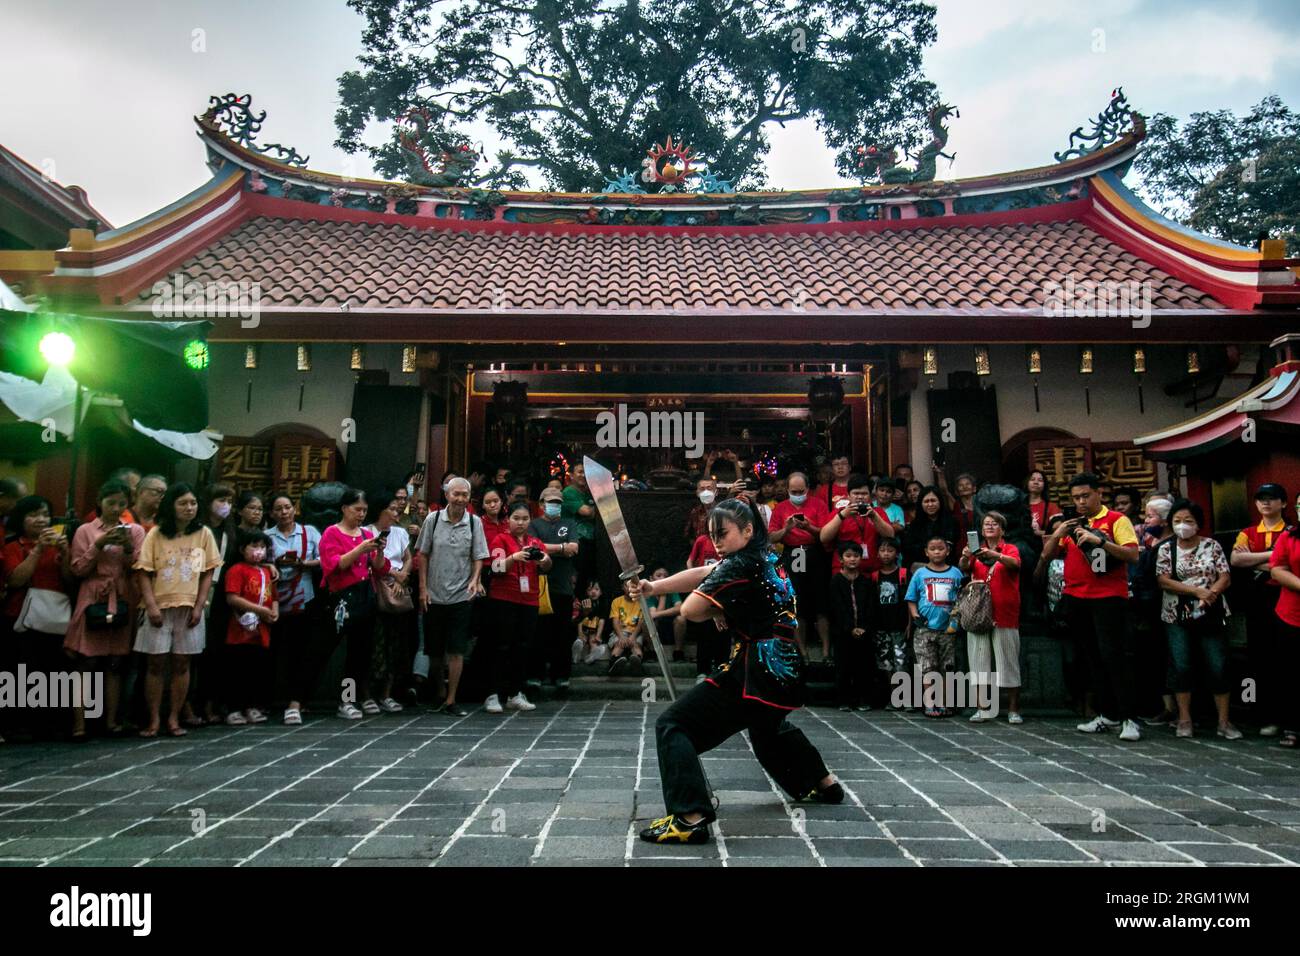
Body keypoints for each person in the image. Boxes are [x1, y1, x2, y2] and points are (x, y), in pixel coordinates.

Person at [631, 498, 842, 845]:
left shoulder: (741, 562)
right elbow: (707, 573)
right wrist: (656, 587)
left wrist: (718, 605)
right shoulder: (767, 556)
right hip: (785, 668)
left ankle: (690, 816)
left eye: (723, 534)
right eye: (713, 534)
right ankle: (822, 782)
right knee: (766, 725)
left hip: (752, 670)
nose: (717, 541)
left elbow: (692, 609)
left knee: (673, 725)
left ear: (747, 530)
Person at [1042, 472, 1142, 742]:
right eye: (1076, 498)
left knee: (1114, 656)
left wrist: (1100, 541)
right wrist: (1059, 532)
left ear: (1099, 494)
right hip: (1076, 597)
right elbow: (1048, 554)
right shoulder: (1072, 523)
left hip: (1109, 596)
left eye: (1086, 496)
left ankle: (1129, 718)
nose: (1081, 501)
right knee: (1092, 658)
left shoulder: (1117, 520)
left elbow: (1133, 555)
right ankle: (1106, 714)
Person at [134, 483, 222, 738]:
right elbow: (143, 572)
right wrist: (151, 605)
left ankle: (174, 718)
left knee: (183, 663)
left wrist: (199, 605)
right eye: (183, 503)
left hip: (189, 607)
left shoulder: (203, 533)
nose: (189, 508)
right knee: (155, 662)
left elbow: (208, 572)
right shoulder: (157, 534)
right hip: (159, 605)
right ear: (171, 505)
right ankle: (153, 718)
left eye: (193, 503)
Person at [65, 479, 146, 739]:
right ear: (100, 502)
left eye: (121, 504)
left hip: (122, 594)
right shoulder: (86, 530)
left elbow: (138, 565)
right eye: (111, 503)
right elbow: (78, 568)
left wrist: (129, 547)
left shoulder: (134, 530)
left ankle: (111, 721)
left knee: (116, 661)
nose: (116, 508)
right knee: (86, 660)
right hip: (93, 593)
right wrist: (98, 545)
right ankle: (79, 724)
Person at [1154, 500, 1238, 740]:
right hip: (1176, 613)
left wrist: (1210, 594)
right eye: (1178, 521)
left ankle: (1224, 720)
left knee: (1218, 664)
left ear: (1198, 523)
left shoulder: (1212, 546)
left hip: (1210, 612)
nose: (1183, 526)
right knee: (1181, 664)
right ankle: (1184, 718)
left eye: (1188, 521)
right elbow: (1163, 580)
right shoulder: (1166, 549)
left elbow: (1225, 576)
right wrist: (1195, 592)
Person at [2, 495, 74, 740]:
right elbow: (15, 579)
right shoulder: (13, 545)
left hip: (54, 615)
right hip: (20, 615)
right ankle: (20, 724)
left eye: (44, 514)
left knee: (53, 669)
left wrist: (65, 553)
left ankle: (49, 723)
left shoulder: (60, 542)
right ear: (22, 519)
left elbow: (70, 579)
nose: (40, 520)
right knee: (21, 670)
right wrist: (38, 550)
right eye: (33, 515)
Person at [416, 476, 489, 717]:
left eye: (464, 495)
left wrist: (475, 579)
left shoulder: (474, 522)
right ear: (446, 494)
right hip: (434, 595)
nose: (459, 499)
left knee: (457, 649)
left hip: (461, 595)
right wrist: (423, 589)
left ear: (470, 498)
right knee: (435, 652)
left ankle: (451, 698)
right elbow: (423, 554)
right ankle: (438, 690)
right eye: (455, 494)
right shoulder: (433, 519)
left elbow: (479, 555)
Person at [318, 488, 390, 719]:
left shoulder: (367, 535)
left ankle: (347, 700)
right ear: (344, 508)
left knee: (358, 654)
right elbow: (334, 565)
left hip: (364, 598)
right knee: (321, 649)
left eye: (364, 511)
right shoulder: (331, 533)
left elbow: (380, 567)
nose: (361, 514)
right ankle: (297, 700)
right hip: (340, 598)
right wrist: (360, 548)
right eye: (357, 509)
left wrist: (378, 551)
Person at [483, 500, 552, 714]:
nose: (520, 523)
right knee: (501, 645)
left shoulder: (535, 542)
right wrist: (514, 557)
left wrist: (544, 559)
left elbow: (547, 567)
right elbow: (494, 567)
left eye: (524, 519)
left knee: (523, 647)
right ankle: (493, 694)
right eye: (516, 518)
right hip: (504, 598)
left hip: (530, 599)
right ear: (508, 520)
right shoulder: (500, 539)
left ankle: (515, 693)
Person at [1231, 483, 1288, 737]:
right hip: (1257, 601)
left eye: (1272, 499)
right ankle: (1265, 715)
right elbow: (1236, 559)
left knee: (1285, 659)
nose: (1266, 503)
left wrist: (1257, 559)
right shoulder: (1247, 532)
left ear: (1283, 504)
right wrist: (1274, 557)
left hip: (1286, 597)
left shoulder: (1291, 531)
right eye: (1261, 499)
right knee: (1259, 658)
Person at [959, 511, 1023, 723]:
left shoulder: (1010, 548)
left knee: (1008, 661)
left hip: (1004, 612)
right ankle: (982, 707)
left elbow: (1016, 565)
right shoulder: (977, 550)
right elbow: (964, 568)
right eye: (986, 524)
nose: (990, 527)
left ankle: (1013, 709)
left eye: (995, 524)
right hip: (978, 613)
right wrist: (966, 554)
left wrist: (995, 555)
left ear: (1002, 529)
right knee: (978, 661)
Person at [266, 492, 321, 726]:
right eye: (278, 509)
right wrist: (272, 565)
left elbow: (323, 559)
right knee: (274, 651)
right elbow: (258, 559)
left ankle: (296, 701)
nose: (284, 512)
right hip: (274, 599)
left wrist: (303, 564)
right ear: (272, 513)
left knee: (301, 651)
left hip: (304, 596)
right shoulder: (266, 536)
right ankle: (269, 699)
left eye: (287, 507)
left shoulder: (309, 533)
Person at [768, 471, 831, 659]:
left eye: (801, 491)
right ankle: (803, 653)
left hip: (814, 551)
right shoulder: (780, 508)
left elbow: (826, 533)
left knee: (821, 603)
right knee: (798, 604)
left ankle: (826, 651)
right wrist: (787, 528)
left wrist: (808, 527)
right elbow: (771, 537)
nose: (797, 494)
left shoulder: (818, 505)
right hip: (792, 553)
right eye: (793, 491)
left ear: (808, 489)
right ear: (787, 490)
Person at [527, 486, 580, 696]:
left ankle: (562, 676)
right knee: (538, 632)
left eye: (558, 503)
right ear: (541, 505)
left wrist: (547, 548)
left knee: (562, 634)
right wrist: (560, 548)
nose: (554, 506)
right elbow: (533, 549)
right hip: (538, 586)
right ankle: (535, 675)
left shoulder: (569, 524)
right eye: (550, 502)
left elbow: (574, 548)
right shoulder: (533, 525)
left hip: (563, 587)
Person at [365, 490, 414, 715]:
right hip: (374, 590)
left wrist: (402, 576)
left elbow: (408, 557)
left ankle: (387, 693)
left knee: (394, 645)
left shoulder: (400, 532)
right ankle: (362, 695)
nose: (396, 513)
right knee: (372, 646)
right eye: (392, 509)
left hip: (396, 591)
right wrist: (395, 575)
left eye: (398, 509)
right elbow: (373, 563)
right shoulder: (367, 532)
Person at [222, 529, 278, 725]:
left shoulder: (266, 572)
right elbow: (232, 598)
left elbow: (275, 596)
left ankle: (252, 706)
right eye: (254, 546)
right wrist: (261, 610)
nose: (258, 551)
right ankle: (234, 708)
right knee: (239, 671)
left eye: (262, 547)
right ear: (242, 549)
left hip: (261, 631)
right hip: (239, 631)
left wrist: (273, 611)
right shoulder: (236, 570)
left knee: (257, 670)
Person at [906, 535, 963, 718]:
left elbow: (961, 597)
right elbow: (911, 598)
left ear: (947, 551)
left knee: (947, 667)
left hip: (948, 629)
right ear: (926, 552)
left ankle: (945, 703)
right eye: (933, 549)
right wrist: (915, 616)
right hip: (925, 629)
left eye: (941, 548)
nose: (937, 552)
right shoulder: (920, 574)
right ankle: (930, 703)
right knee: (928, 667)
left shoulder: (955, 573)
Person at [1135, 496, 1177, 726]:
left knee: (1167, 658)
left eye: (1150, 516)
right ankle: (1168, 707)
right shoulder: (1154, 544)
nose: (1145, 520)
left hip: (1160, 608)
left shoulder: (1167, 546)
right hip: (1153, 607)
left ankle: (1174, 709)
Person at [1268, 498, 1300, 748]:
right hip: (1291, 613)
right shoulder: (1289, 537)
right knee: (1291, 672)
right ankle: (1293, 726)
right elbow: (1277, 567)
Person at [828, 541, 874, 711]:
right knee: (843, 665)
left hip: (863, 631)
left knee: (863, 666)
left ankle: (863, 698)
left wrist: (864, 627)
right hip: (843, 632)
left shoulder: (866, 581)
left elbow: (870, 606)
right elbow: (836, 607)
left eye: (856, 556)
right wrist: (849, 628)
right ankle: (844, 700)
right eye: (848, 556)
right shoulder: (836, 581)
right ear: (841, 559)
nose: (852, 559)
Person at [819, 473, 894, 577]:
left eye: (864, 494)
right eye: (856, 493)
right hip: (843, 571)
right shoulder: (839, 512)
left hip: (872, 570)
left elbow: (890, 536)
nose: (860, 497)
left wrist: (874, 516)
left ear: (871, 497)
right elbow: (824, 538)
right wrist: (842, 516)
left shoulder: (877, 512)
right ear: (848, 495)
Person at [871, 537, 910, 708]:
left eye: (890, 550)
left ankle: (905, 698)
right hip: (881, 626)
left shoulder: (904, 574)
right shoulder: (874, 576)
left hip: (899, 625)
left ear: (897, 553)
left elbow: (910, 600)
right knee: (886, 663)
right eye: (882, 550)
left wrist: (910, 624)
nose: (886, 554)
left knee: (901, 662)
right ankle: (894, 697)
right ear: (877, 553)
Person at [901, 485, 959, 571]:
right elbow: (909, 550)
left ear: (940, 501)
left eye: (933, 500)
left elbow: (952, 547)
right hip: (921, 568)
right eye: (926, 501)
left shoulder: (951, 522)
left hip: (947, 568)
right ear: (921, 504)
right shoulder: (915, 525)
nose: (930, 504)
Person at [561, 462, 597, 591]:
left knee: (588, 578)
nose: (583, 475)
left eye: (586, 472)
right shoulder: (569, 492)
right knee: (578, 578)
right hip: (577, 541)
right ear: (571, 475)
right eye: (580, 472)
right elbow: (586, 511)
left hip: (590, 540)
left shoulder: (588, 492)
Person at [607, 578, 646, 676]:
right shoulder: (616, 601)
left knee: (635, 645)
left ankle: (637, 663)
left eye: (633, 585)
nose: (629, 588)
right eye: (626, 585)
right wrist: (621, 636)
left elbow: (641, 622)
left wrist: (633, 636)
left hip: (635, 632)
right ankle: (613, 664)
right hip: (621, 631)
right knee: (619, 644)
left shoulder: (641, 602)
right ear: (622, 587)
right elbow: (615, 621)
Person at [572, 581, 607, 664]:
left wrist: (598, 635)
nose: (593, 592)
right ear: (586, 592)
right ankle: (576, 655)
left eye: (596, 589)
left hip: (594, 630)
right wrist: (580, 633)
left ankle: (591, 656)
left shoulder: (602, 605)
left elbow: (602, 621)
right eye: (590, 590)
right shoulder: (583, 602)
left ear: (601, 592)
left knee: (593, 641)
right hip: (584, 629)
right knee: (580, 640)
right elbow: (580, 620)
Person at [1025, 469, 1061, 540]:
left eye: (1040, 480)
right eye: (1032, 479)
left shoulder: (1051, 507)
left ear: (1044, 485)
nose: (1036, 482)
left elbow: (1059, 531)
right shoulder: (1019, 506)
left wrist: (1040, 532)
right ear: (1027, 483)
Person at [683, 477, 718, 545]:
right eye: (702, 489)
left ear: (716, 492)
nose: (706, 491)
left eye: (709, 488)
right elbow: (688, 534)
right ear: (697, 493)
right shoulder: (695, 512)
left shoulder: (723, 511)